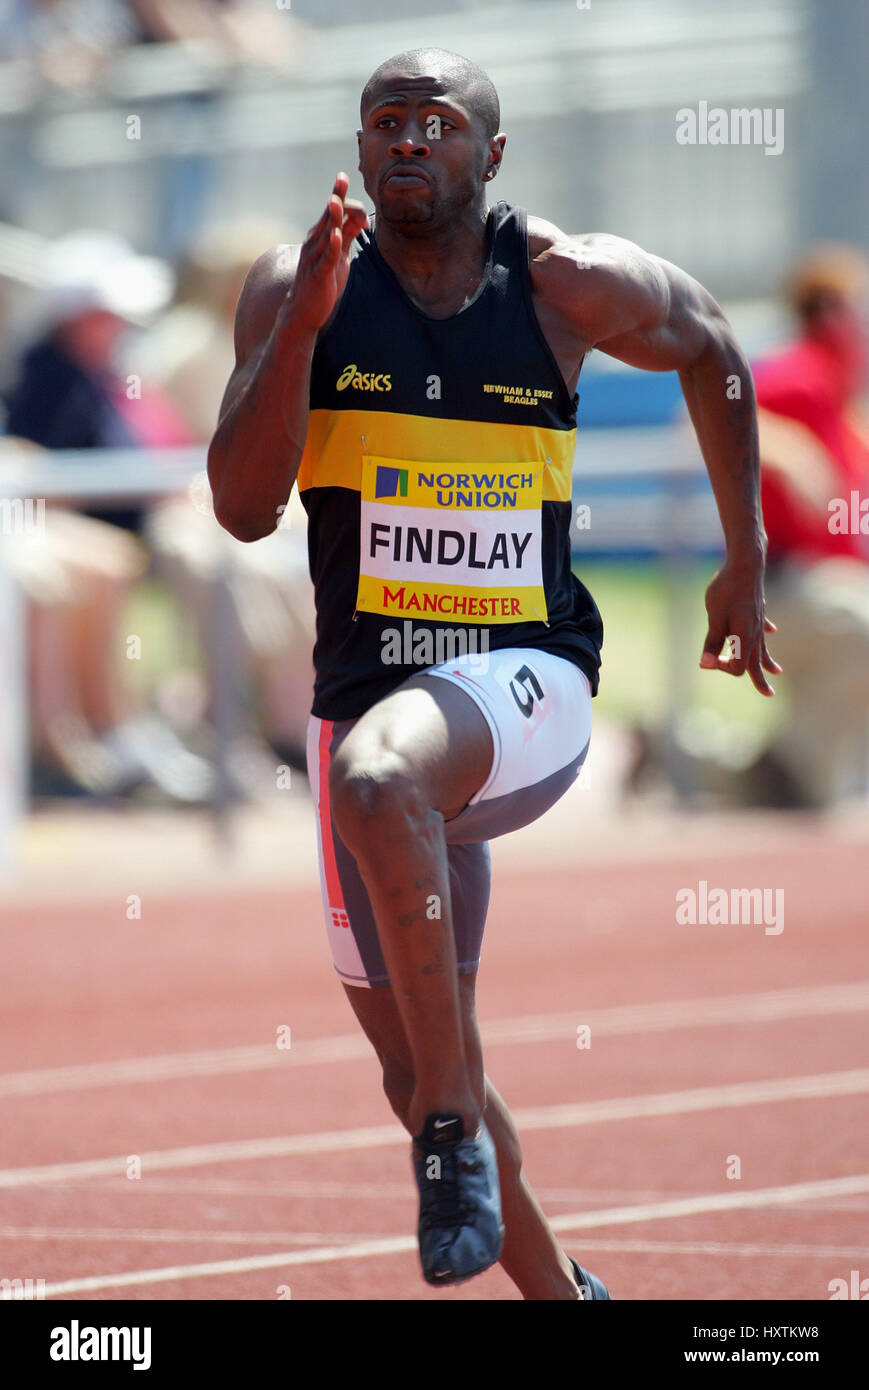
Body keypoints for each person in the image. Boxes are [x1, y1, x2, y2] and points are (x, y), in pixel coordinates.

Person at [207, 48, 778, 1299]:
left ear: (492, 154)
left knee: (373, 783)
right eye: (383, 124)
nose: (407, 142)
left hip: (528, 682)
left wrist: (743, 556)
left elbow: (715, 343)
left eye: (436, 123)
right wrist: (301, 324)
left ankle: (453, 1139)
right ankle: (562, 1290)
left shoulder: (563, 285)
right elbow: (244, 511)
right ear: (358, 151)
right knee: (412, 1062)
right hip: (366, 694)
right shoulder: (296, 286)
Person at [749, 246, 869, 807]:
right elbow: (710, 413)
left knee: (808, 789)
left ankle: (692, 759)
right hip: (791, 588)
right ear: (830, 314)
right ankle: (791, 775)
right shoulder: (802, 371)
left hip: (831, 593)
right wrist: (786, 448)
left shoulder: (845, 405)